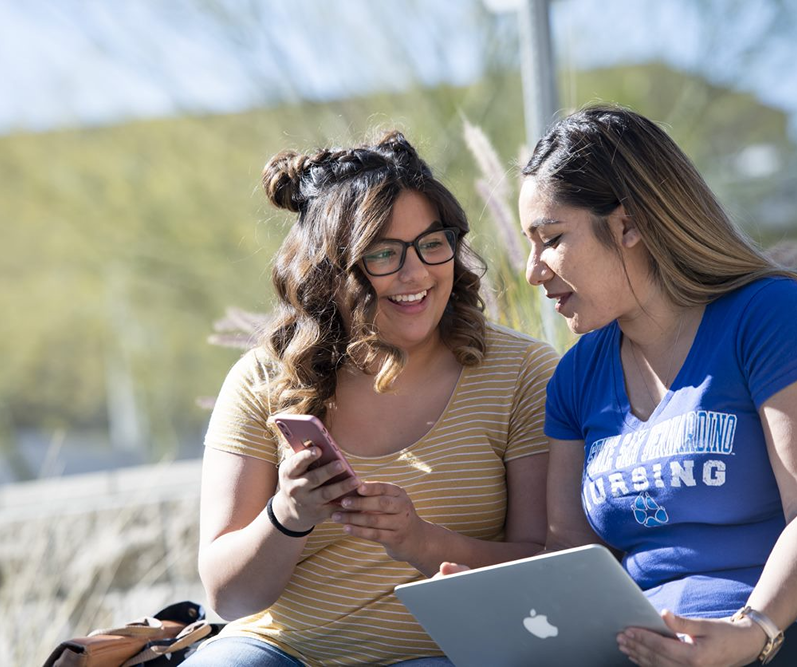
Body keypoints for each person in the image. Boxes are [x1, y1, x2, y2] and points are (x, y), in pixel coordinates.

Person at [185, 131, 559, 666]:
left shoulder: (522, 371)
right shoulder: (262, 378)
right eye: (383, 253)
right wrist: (287, 514)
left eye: (433, 243)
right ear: (326, 270)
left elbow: (547, 571)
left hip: (442, 655)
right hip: (280, 652)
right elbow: (229, 597)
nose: (417, 273)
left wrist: (423, 543)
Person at [517, 104, 797, 666]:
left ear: (628, 225)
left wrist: (752, 632)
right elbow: (573, 556)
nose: (533, 271)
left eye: (550, 239)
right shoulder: (576, 375)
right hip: (646, 650)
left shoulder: (778, 316)